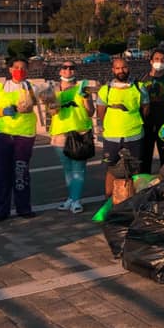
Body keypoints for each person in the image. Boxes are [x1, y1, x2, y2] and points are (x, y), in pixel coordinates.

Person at [0, 57, 39, 221]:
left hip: (24, 136)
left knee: (21, 172)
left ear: (28, 71)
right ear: (10, 69)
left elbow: (41, 104)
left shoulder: (32, 88)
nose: (19, 71)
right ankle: (2, 210)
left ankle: (23, 208)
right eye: (16, 67)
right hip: (1, 135)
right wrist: (2, 112)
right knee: (2, 173)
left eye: (23, 68)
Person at [96, 57, 150, 200]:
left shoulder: (139, 87)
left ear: (128, 68)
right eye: (118, 68)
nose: (121, 71)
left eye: (124, 67)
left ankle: (135, 199)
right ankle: (108, 200)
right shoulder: (105, 89)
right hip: (112, 135)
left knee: (136, 169)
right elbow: (101, 111)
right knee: (111, 168)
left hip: (134, 134)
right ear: (113, 70)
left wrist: (136, 121)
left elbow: (145, 107)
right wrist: (109, 123)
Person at [49, 60, 94, 214]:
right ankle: (71, 197)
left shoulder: (83, 87)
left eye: (71, 67)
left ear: (75, 71)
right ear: (60, 71)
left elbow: (90, 112)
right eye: (65, 67)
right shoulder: (53, 89)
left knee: (78, 169)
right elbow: (52, 112)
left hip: (80, 133)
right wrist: (54, 102)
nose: (68, 70)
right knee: (68, 169)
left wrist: (86, 97)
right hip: (60, 133)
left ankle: (76, 200)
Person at [139, 48, 164, 172]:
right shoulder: (141, 80)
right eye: (157, 59)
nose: (160, 62)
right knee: (145, 155)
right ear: (151, 61)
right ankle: (144, 184)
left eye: (163, 60)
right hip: (146, 122)